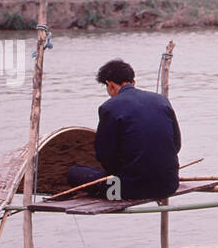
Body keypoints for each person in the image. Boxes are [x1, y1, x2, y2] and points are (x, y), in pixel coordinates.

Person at [66, 59, 182, 200]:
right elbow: (176, 145)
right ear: (133, 82)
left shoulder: (109, 107)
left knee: (74, 173)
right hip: (169, 185)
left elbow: (105, 155)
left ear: (110, 85)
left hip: (128, 191)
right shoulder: (161, 100)